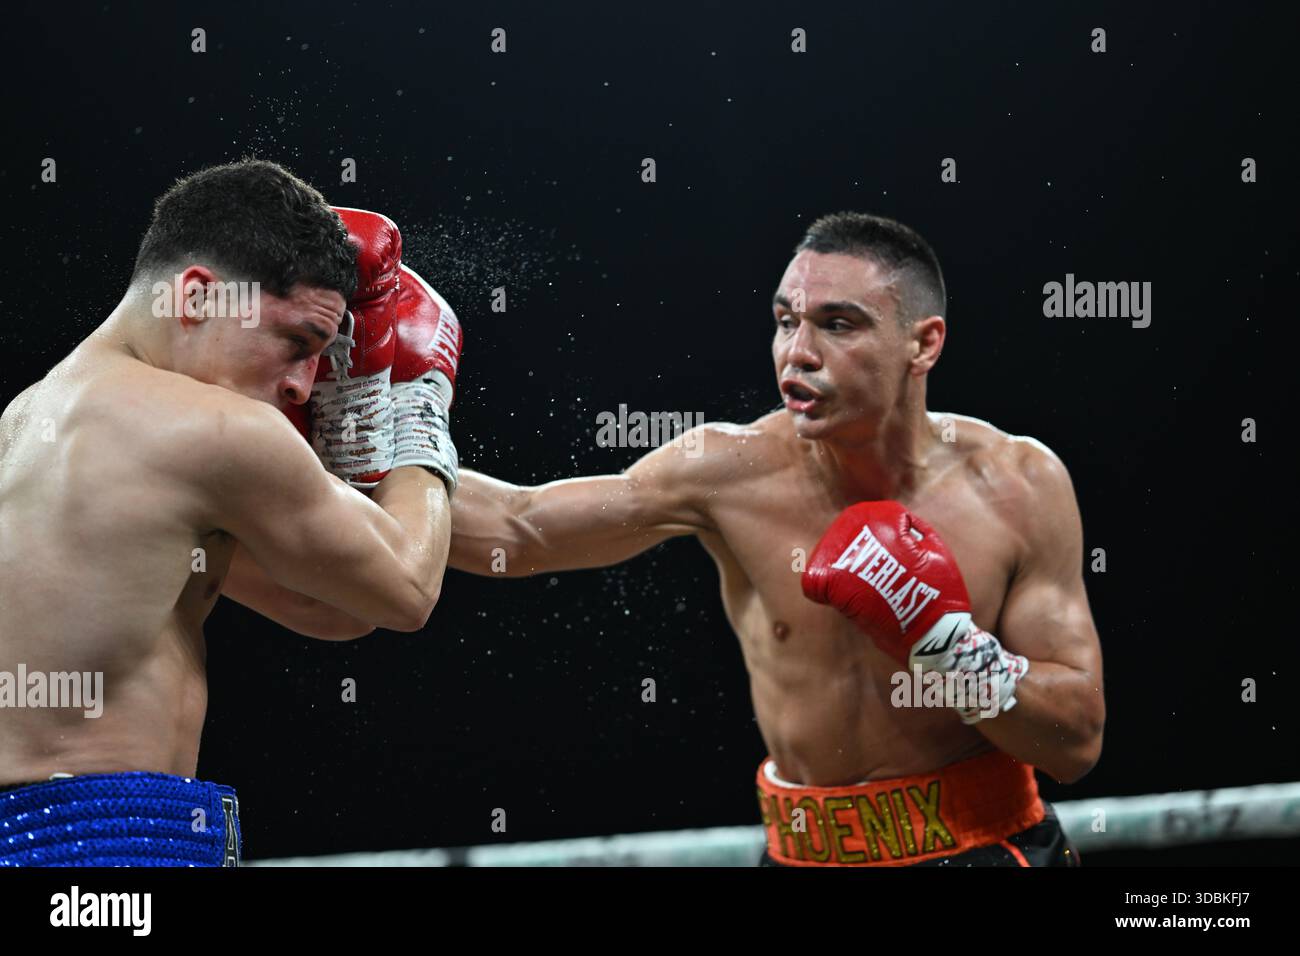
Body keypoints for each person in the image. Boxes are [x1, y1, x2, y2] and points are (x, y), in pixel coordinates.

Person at [448, 212, 1103, 866]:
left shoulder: (1017, 486)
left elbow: (1075, 744)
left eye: (838, 325)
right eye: (787, 321)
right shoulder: (728, 471)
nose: (799, 352)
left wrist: (949, 648)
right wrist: (371, 455)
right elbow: (520, 528)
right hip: (799, 854)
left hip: (986, 848)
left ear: (923, 345)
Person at [0, 159, 461, 866]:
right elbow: (408, 588)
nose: (304, 387)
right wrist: (411, 411)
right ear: (197, 297)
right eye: (298, 343)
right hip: (101, 842)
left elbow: (332, 609)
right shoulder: (215, 431)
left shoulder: (29, 419)